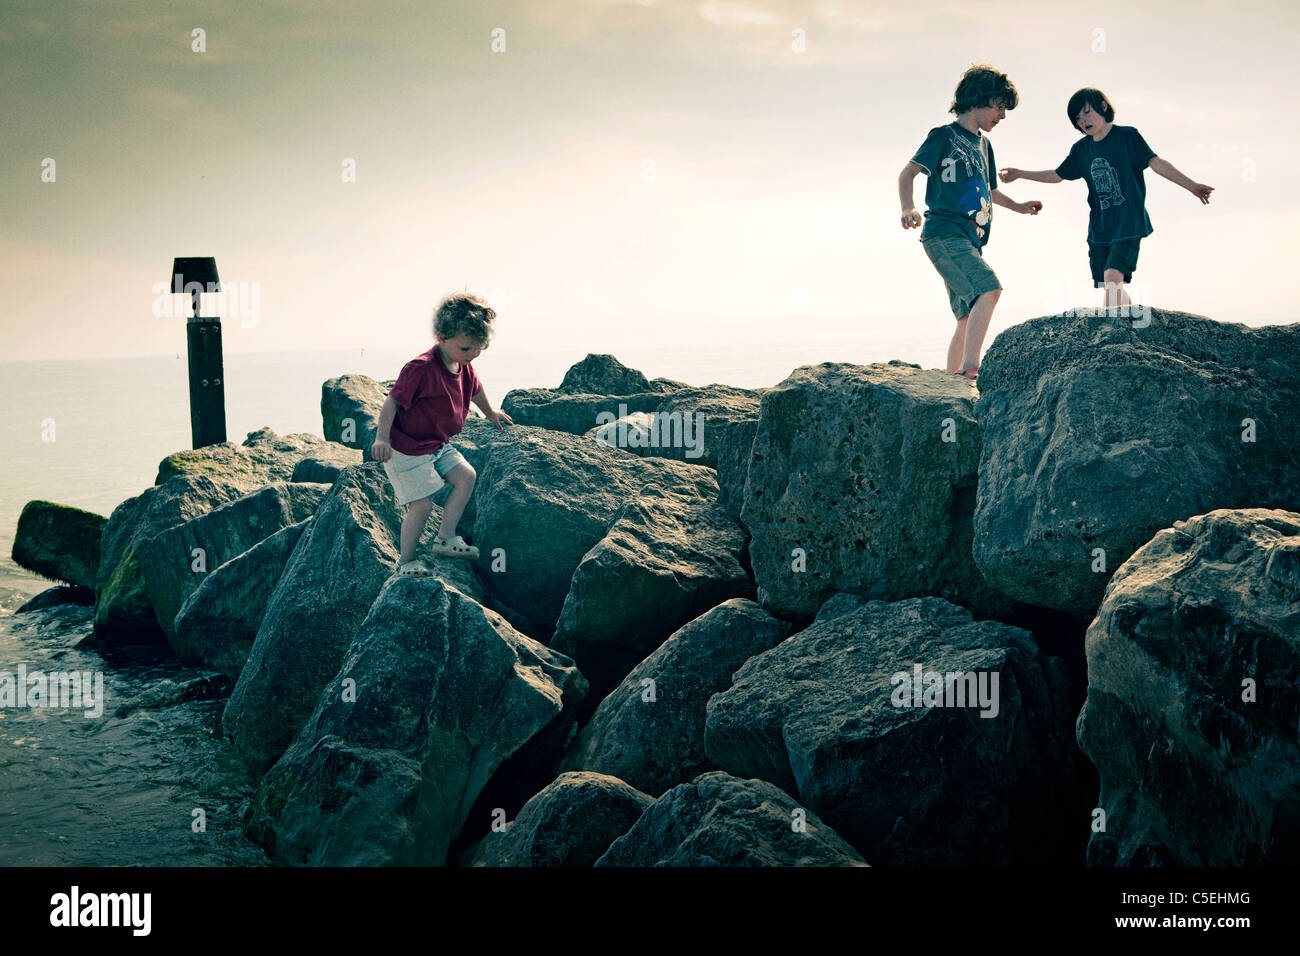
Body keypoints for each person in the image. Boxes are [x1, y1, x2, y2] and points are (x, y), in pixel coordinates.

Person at [999, 87, 1212, 311]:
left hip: (1128, 222)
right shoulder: (1081, 149)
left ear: (1102, 106)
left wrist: (1192, 186)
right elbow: (1057, 175)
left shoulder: (1127, 136)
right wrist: (1021, 173)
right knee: (1109, 284)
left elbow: (1156, 163)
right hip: (1100, 228)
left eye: (1087, 112)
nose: (1083, 120)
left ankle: (1110, 332)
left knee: (1112, 278)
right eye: (1077, 118)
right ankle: (1128, 324)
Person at [899, 64, 1043, 381]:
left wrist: (1019, 206)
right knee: (989, 289)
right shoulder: (943, 137)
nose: (1003, 116)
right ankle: (971, 369)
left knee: (967, 313)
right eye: (999, 107)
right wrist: (908, 207)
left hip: (968, 239)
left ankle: (953, 378)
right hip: (944, 234)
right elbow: (907, 173)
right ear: (978, 100)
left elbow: (990, 192)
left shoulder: (985, 145)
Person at [370, 292, 512, 576]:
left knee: (466, 476)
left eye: (479, 348)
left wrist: (490, 413)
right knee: (421, 505)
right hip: (406, 449)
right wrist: (382, 438)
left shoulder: (463, 364)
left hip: (436, 445)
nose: (473, 354)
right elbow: (392, 402)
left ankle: (445, 538)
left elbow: (476, 390)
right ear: (441, 337)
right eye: (466, 348)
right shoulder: (420, 368)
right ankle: (406, 561)